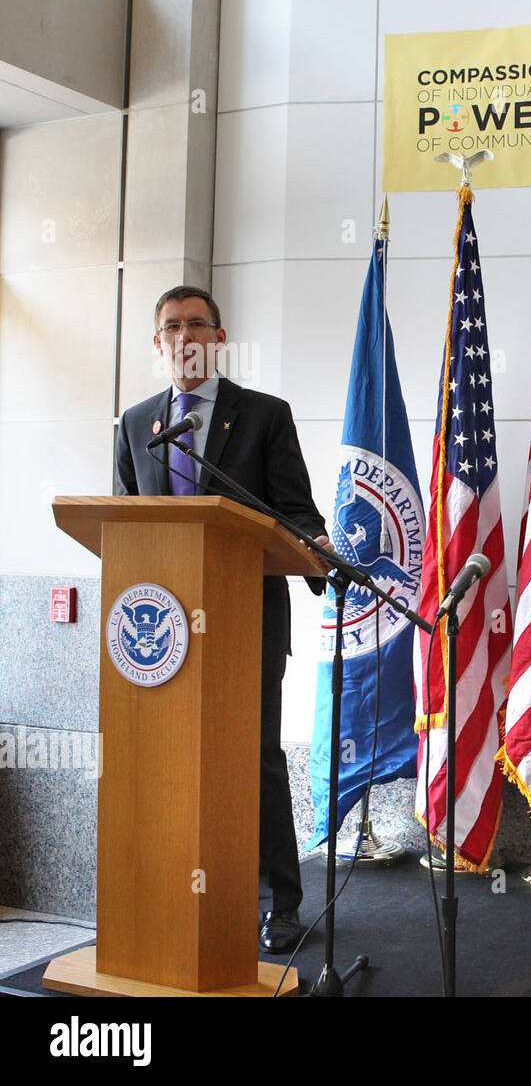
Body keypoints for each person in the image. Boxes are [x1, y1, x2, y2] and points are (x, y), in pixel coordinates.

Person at [114, 285, 329, 954]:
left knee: (256, 758)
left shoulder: (263, 416)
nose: (183, 337)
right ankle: (172, 890)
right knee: (170, 761)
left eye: (196, 325)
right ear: (158, 344)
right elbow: (124, 522)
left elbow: (294, 510)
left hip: (245, 621)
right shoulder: (135, 423)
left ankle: (279, 903)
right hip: (160, 631)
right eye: (171, 327)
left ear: (218, 337)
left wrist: (315, 547)